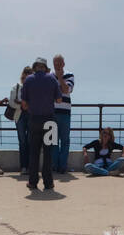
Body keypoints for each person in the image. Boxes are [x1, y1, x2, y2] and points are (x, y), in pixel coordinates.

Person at [20, 56, 59, 191]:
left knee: (34, 152)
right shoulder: (52, 79)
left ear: (35, 66)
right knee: (48, 153)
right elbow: (59, 100)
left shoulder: (29, 80)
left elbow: (24, 104)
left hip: (34, 120)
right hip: (50, 121)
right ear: (45, 67)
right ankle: (48, 183)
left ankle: (32, 182)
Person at [51, 54, 75, 173]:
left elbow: (66, 90)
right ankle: (55, 166)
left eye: (59, 63)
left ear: (64, 64)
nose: (57, 65)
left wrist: (60, 78)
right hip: (52, 113)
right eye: (55, 63)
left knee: (65, 140)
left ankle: (62, 166)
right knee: (53, 141)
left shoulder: (69, 75)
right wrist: (61, 86)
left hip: (65, 113)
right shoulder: (49, 76)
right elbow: (56, 90)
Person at [9, 67, 32, 176]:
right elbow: (12, 103)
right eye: (26, 73)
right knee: (22, 142)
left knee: (31, 141)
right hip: (19, 115)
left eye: (29, 74)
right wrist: (23, 104)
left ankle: (31, 166)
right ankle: (23, 167)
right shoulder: (16, 87)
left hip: (31, 116)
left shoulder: (34, 87)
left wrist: (23, 103)